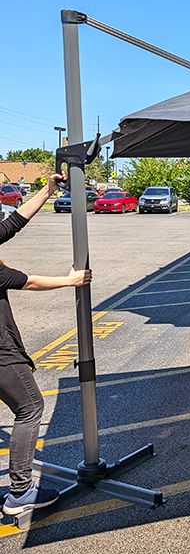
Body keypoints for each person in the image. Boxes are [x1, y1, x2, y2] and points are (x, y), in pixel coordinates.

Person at [0, 174, 92, 516]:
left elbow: (15, 222)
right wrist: (71, 280)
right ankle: (20, 493)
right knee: (29, 409)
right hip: (2, 357)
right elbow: (28, 281)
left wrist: (48, 189)